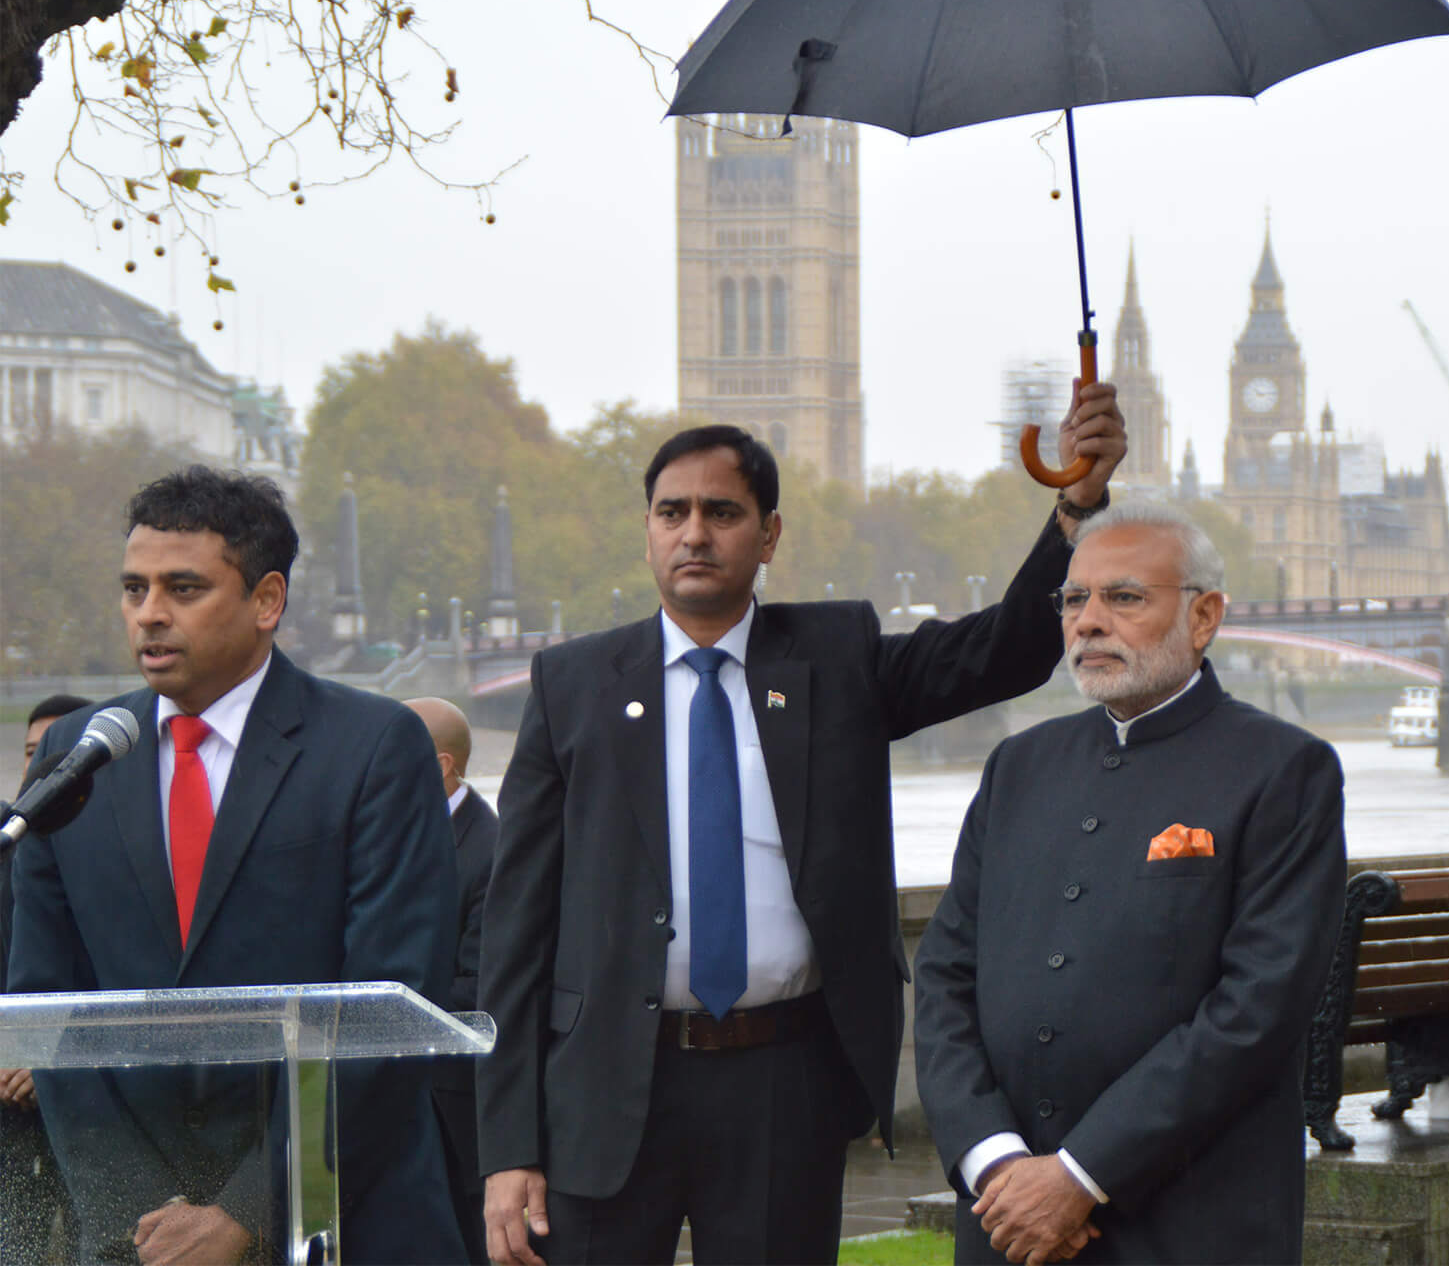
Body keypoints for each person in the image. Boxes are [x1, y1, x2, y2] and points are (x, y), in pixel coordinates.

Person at [478, 384, 1126, 1266]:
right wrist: (508, 1147)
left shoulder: (837, 657)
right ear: (648, 531)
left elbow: (1004, 650)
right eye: (672, 512)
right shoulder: (572, 686)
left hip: (783, 1085)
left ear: (769, 535)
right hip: (602, 1088)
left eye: (721, 512)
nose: (694, 533)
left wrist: (1076, 507)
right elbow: (514, 932)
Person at [7, 466, 464, 1265]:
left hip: (342, 1217)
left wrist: (248, 1212)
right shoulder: (76, 755)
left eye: (183, 588)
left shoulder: (374, 747)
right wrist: (142, 1219)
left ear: (267, 600)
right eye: (134, 588)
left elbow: (389, 1003)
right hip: (137, 1239)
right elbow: (47, 1009)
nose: (150, 612)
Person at [913, 502, 1347, 1265]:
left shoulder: (1285, 770)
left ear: (1204, 617)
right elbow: (946, 975)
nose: (1088, 621)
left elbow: (1258, 1008)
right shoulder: (1018, 766)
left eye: (1123, 597)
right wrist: (994, 1160)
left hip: (1192, 1225)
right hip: (1006, 1221)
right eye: (1074, 599)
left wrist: (1080, 1175)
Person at [409, 695, 499, 1264]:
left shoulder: (492, 850)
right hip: (393, 1094)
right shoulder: (391, 833)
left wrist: (383, 1006)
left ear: (442, 766)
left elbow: (482, 986)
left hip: (453, 1103)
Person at [0, 695, 89, 1263]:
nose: (42, 771)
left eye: (61, 759)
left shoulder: (121, 860)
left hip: (93, 1114)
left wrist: (48, 1056)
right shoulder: (8, 846)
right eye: (34, 754)